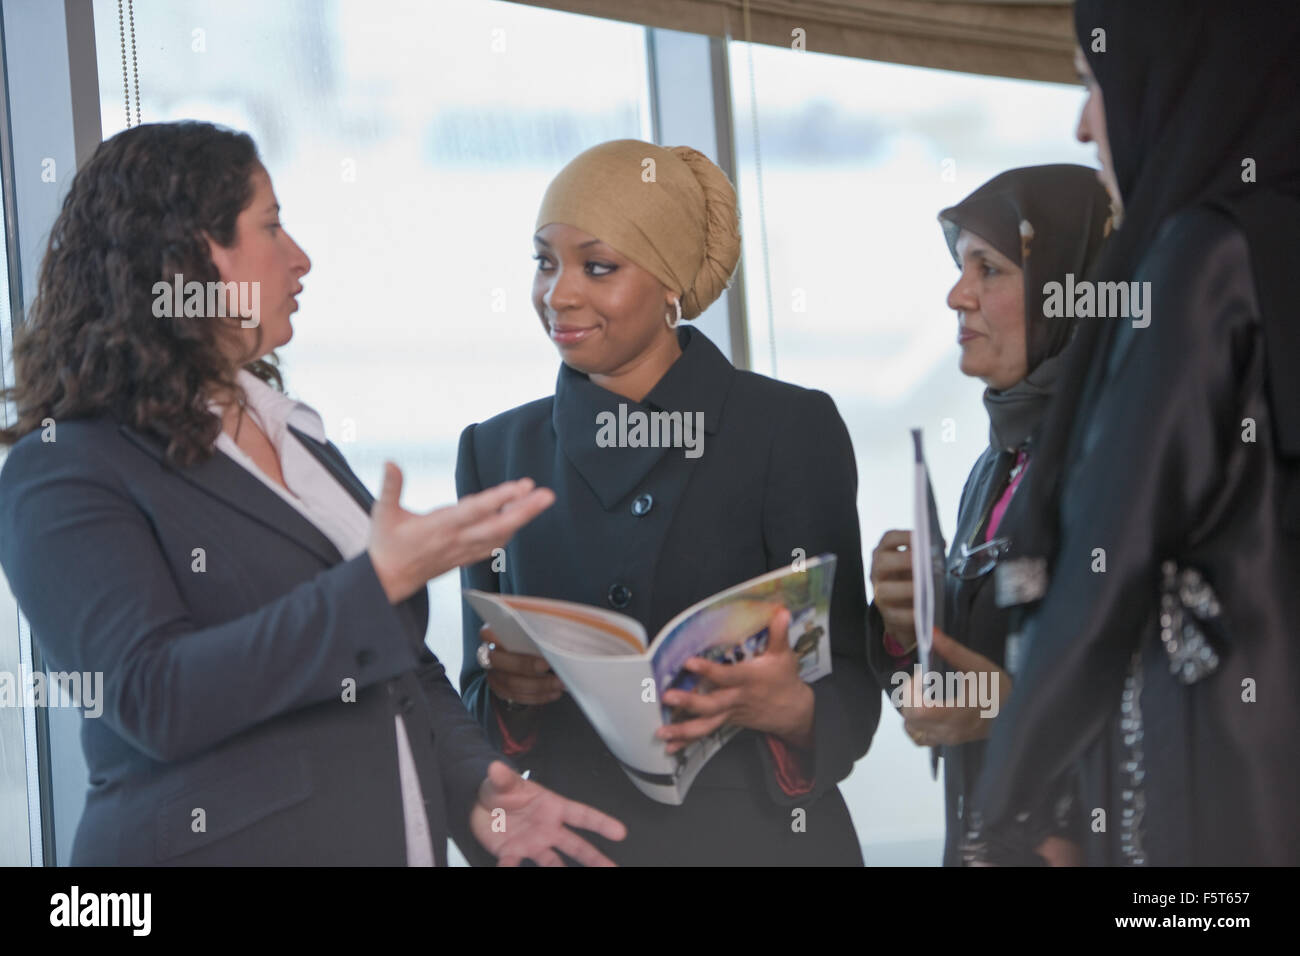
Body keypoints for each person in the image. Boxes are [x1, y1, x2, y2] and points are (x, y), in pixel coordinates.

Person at [0, 121, 626, 866]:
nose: (300, 257)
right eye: (270, 227)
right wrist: (378, 581)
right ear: (186, 257)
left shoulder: (295, 435)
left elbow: (398, 663)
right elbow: (151, 697)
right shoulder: (66, 468)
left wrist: (472, 787)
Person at [457, 139, 880, 865]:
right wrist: (512, 699)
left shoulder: (786, 429)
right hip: (575, 845)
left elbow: (850, 689)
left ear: (670, 282)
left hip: (756, 844)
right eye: (544, 261)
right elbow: (474, 712)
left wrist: (793, 711)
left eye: (598, 267)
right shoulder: (495, 450)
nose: (559, 293)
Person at [968, 1, 1300, 866]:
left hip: (1203, 776)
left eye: (1093, 82)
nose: (1084, 123)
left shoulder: (1203, 255)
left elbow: (1105, 565)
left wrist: (1006, 809)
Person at [866, 165, 1113, 866]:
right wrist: (906, 620)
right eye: (959, 266)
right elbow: (976, 668)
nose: (956, 294)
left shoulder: (1125, 458)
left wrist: (1011, 703)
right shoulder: (999, 461)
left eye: (989, 269)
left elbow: (1167, 690)